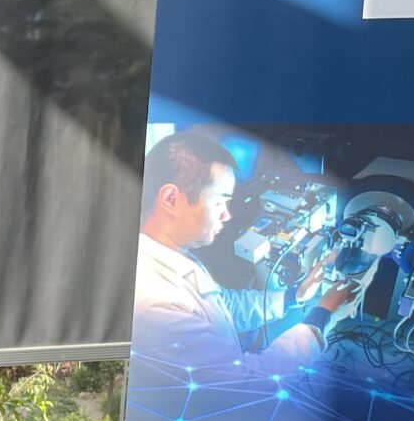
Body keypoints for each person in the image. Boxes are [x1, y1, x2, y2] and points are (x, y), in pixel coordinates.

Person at [132, 131, 358, 368]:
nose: (226, 215)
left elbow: (224, 308)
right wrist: (322, 315)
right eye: (219, 202)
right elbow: (249, 386)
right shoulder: (157, 304)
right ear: (170, 199)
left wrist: (295, 296)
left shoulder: (173, 257)